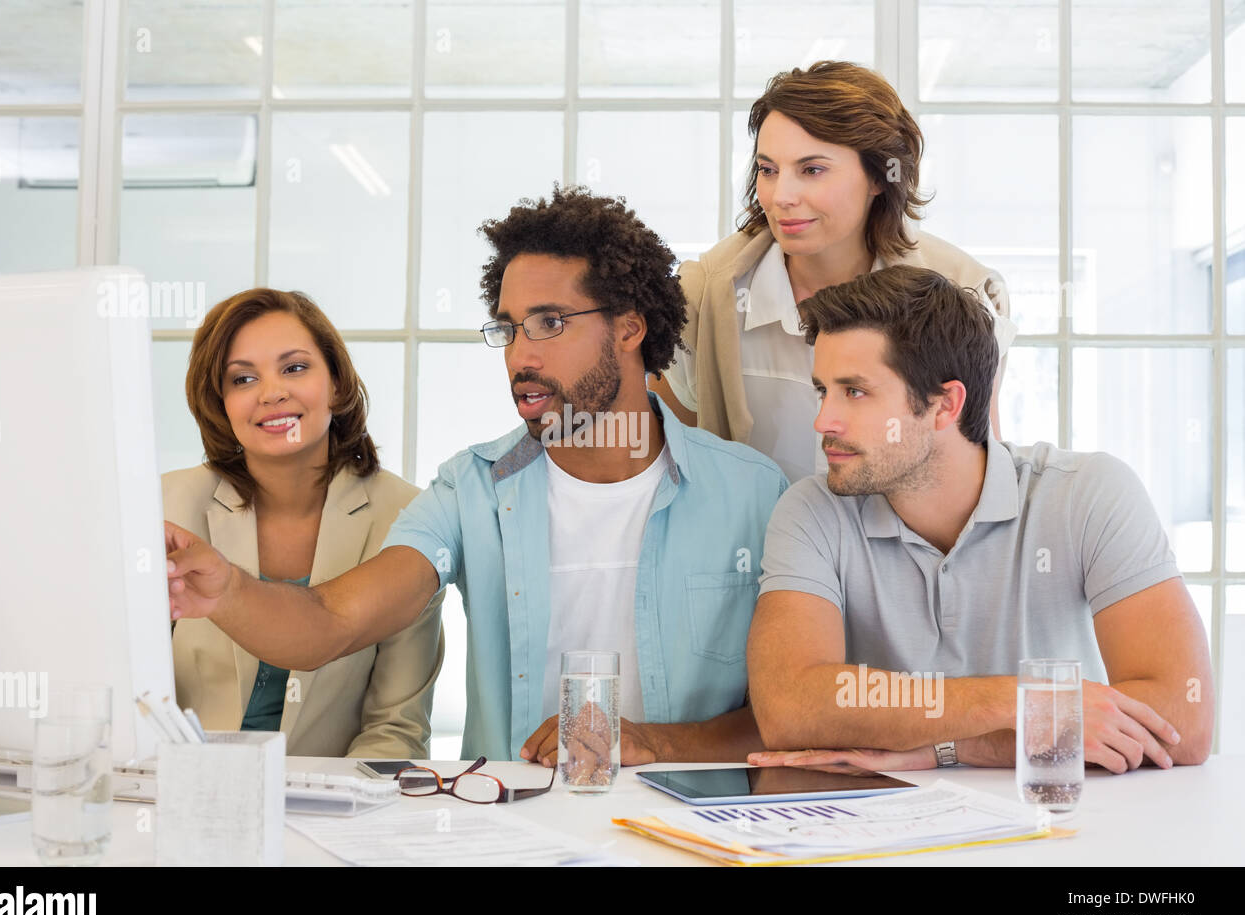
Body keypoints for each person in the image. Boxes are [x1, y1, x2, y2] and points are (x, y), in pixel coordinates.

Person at [164, 187, 788, 765]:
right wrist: (228, 591)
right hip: (516, 833)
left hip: (692, 839)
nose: (521, 355)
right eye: (509, 329)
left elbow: (786, 718)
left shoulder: (753, 492)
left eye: (550, 322)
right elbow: (331, 621)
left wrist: (657, 744)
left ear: (629, 327)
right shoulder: (470, 490)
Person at [746, 265, 1214, 773]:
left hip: (1063, 828)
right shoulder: (812, 512)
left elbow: (1183, 720)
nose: (823, 422)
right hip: (886, 834)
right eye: (823, 391)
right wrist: (1019, 703)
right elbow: (789, 706)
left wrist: (949, 749)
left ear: (946, 404)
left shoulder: (1089, 494)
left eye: (854, 392)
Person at [650, 61, 1017, 481]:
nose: (780, 196)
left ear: (879, 176)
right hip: (748, 548)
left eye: (812, 170)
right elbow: (670, 466)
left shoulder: (965, 292)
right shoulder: (704, 296)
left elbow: (977, 469)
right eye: (768, 170)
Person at [163, 288, 444, 758]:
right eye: (243, 379)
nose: (272, 393)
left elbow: (395, 730)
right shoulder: (167, 506)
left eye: (294, 368)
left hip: (333, 809)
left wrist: (334, 812)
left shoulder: (408, 518)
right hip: (188, 791)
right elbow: (127, 697)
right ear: (221, 402)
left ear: (335, 382)